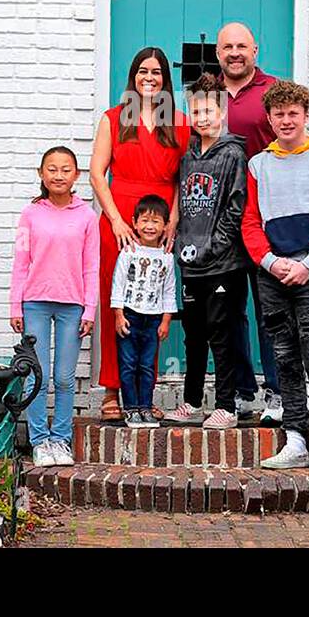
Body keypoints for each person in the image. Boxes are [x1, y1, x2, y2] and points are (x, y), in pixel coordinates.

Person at [242, 80, 309, 472]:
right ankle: (296, 440)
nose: (286, 121)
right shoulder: (258, 165)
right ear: (269, 120)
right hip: (272, 274)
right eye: (279, 114)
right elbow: (251, 222)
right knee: (285, 358)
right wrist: (271, 262)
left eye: (293, 113)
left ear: (306, 116)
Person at [89, 47, 190, 421]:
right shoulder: (114, 119)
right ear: (133, 77)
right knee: (118, 303)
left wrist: (175, 221)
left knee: (151, 306)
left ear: (166, 79)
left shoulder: (177, 122)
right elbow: (97, 174)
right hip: (119, 221)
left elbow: (182, 179)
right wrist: (115, 219)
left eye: (157, 72)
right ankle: (112, 391)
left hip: (158, 225)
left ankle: (143, 396)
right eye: (143, 71)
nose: (149, 77)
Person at [165, 74, 250, 430]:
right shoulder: (188, 159)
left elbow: (235, 207)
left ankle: (227, 406)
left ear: (222, 112)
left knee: (222, 332)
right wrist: (186, 244)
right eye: (195, 111)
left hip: (223, 264)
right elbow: (185, 206)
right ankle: (192, 402)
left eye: (208, 110)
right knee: (194, 334)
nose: (201, 118)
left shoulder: (233, 154)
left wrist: (214, 247)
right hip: (192, 264)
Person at [9, 146, 99, 468]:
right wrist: (15, 306)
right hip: (35, 303)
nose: (58, 175)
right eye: (52, 169)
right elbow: (21, 262)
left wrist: (89, 310)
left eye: (65, 169)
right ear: (41, 174)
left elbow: (92, 267)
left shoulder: (87, 216)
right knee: (38, 375)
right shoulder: (30, 214)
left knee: (63, 377)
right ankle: (39, 441)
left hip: (72, 306)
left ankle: (60, 439)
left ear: (76, 176)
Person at [215, 22, 283, 423]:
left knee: (269, 310)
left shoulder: (273, 90)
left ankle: (277, 393)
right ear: (218, 53)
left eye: (242, 46)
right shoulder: (207, 95)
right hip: (221, 222)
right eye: (228, 47)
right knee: (227, 311)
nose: (235, 53)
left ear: (255, 50)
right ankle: (242, 392)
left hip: (264, 217)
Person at [110, 195, 177, 428]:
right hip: (129, 315)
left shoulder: (167, 257)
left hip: (153, 318)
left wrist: (166, 320)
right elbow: (117, 284)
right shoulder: (129, 252)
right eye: (145, 221)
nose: (150, 226)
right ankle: (131, 408)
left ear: (166, 226)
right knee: (128, 364)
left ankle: (146, 407)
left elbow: (169, 290)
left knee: (147, 365)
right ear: (134, 223)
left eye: (156, 221)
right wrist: (118, 314)